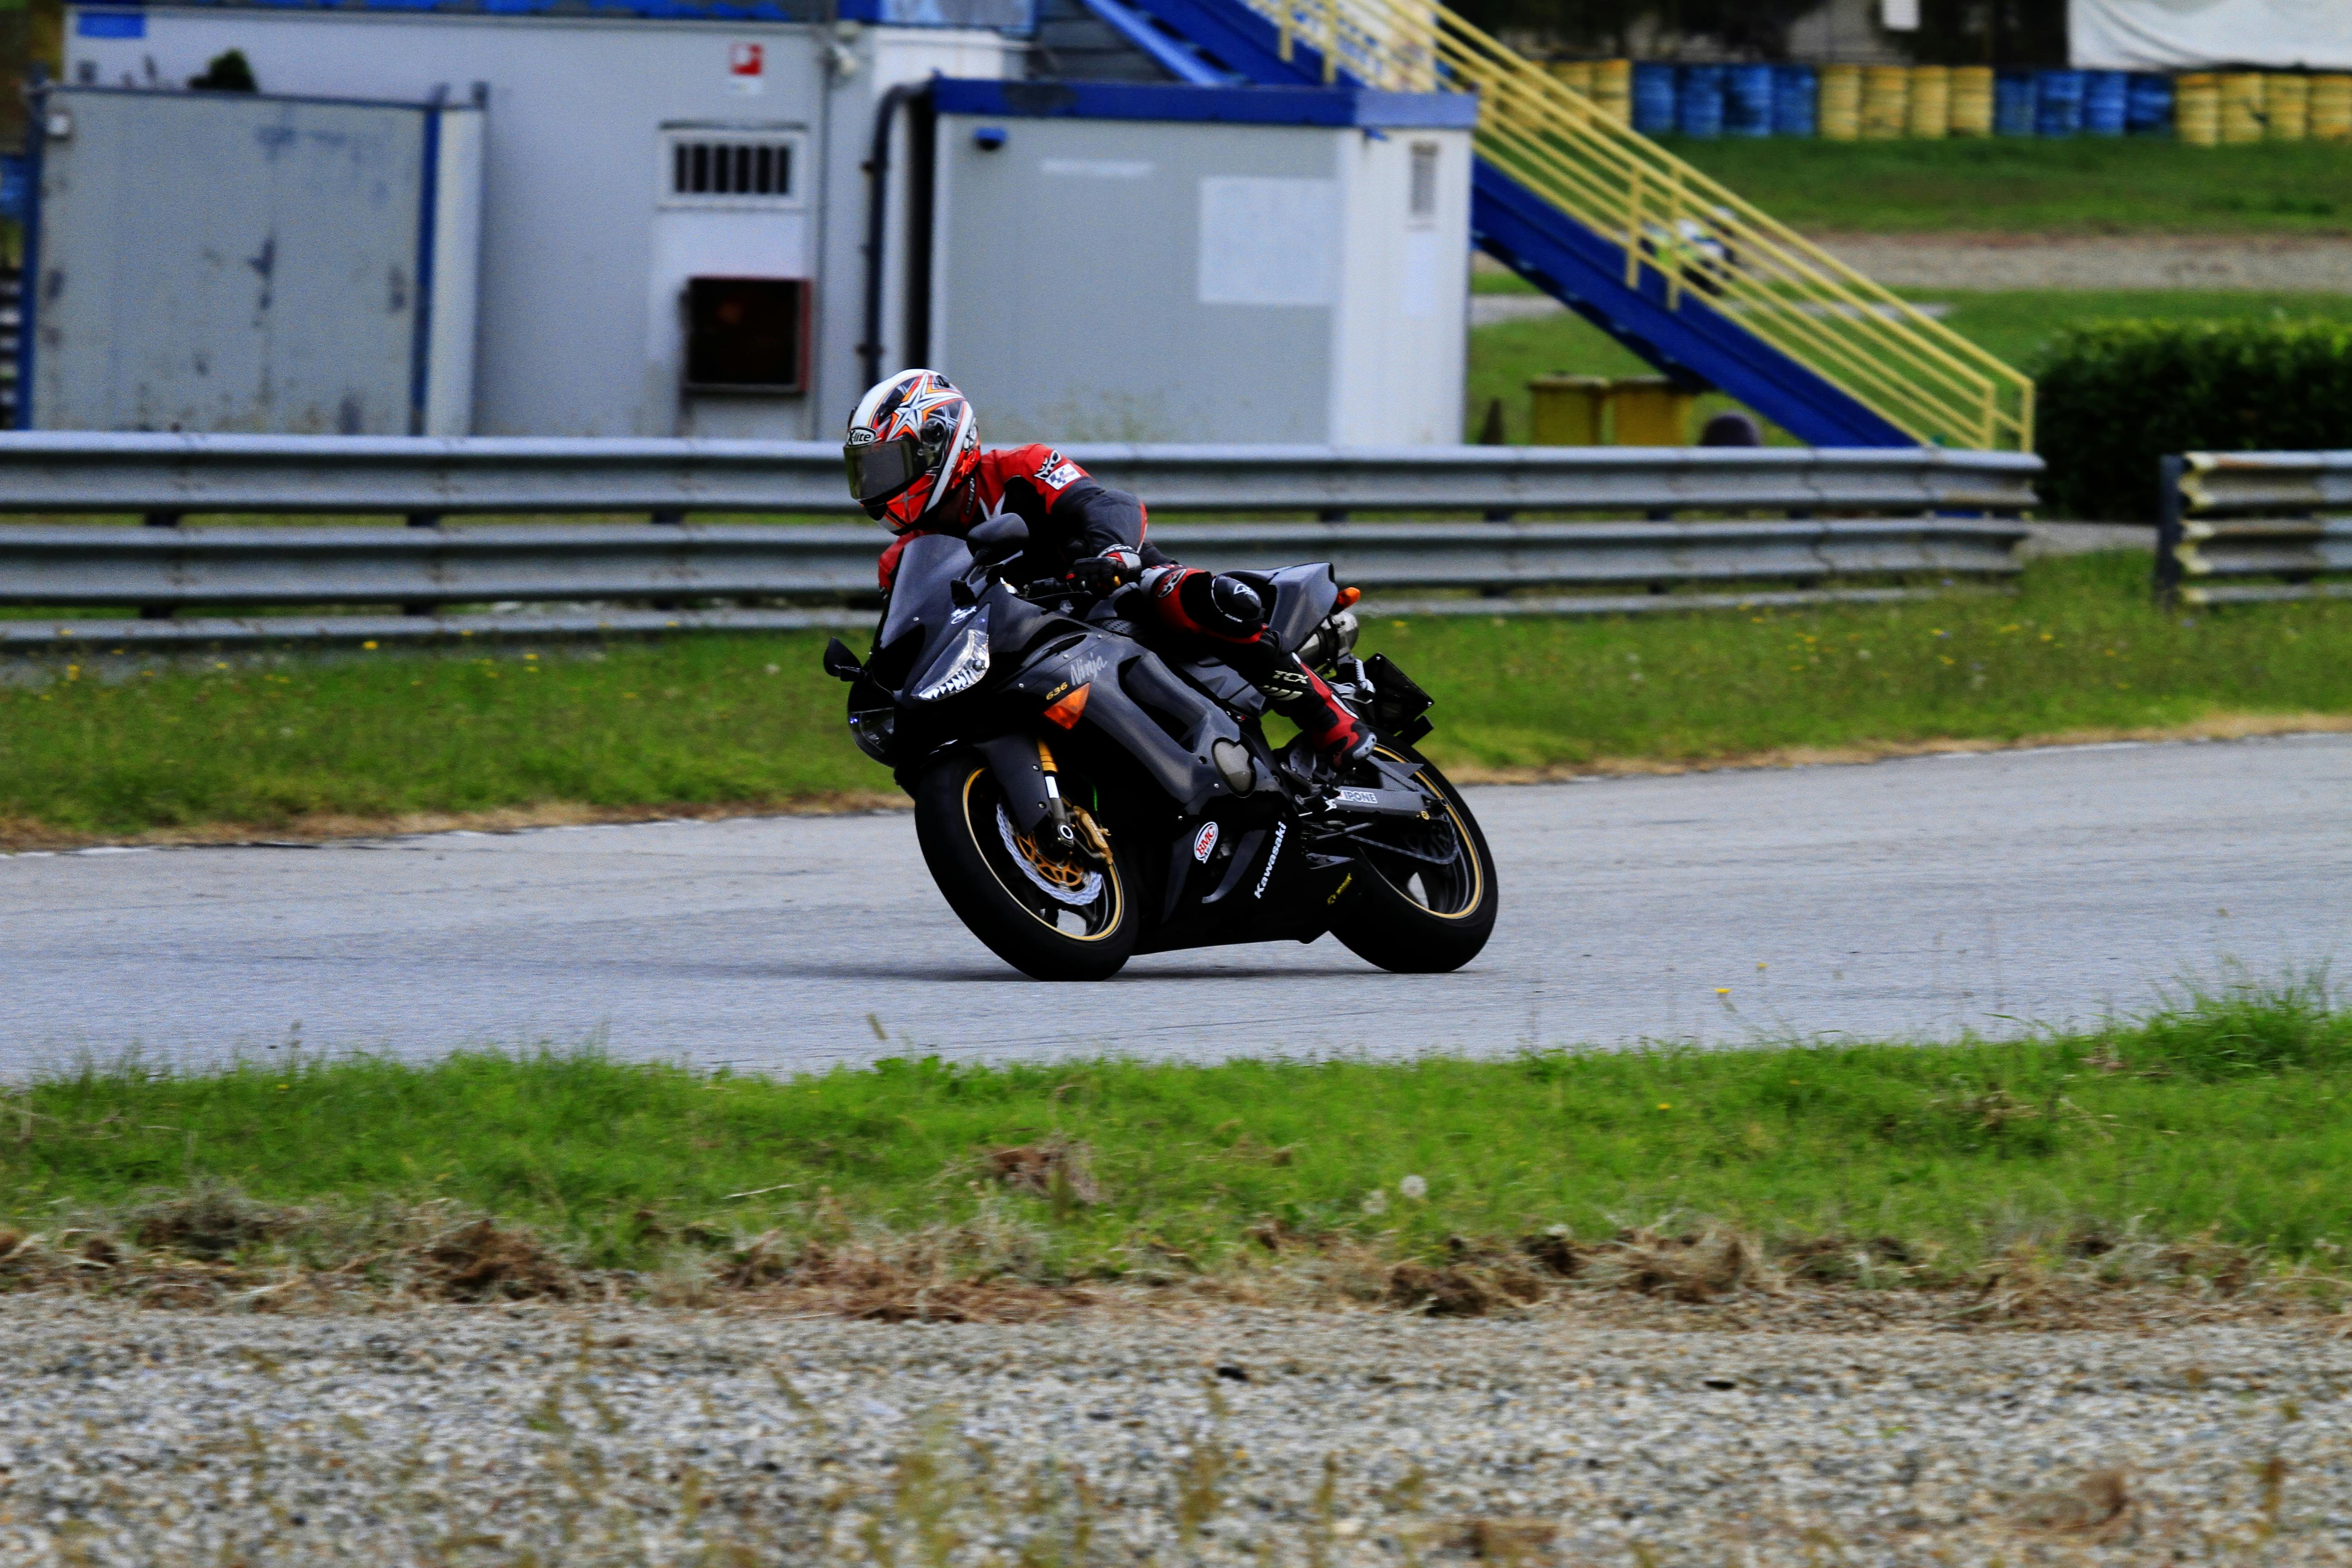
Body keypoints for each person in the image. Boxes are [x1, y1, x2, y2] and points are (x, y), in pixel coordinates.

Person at [843, 368, 1372, 762]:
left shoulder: (1023, 470)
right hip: (1027, 651)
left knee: (1180, 592)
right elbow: (918, 634)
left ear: (939, 443)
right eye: (867, 472)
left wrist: (1113, 555)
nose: (877, 486)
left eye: (889, 465)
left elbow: (1105, 503)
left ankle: (1330, 720)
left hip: (1114, 597)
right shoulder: (901, 560)